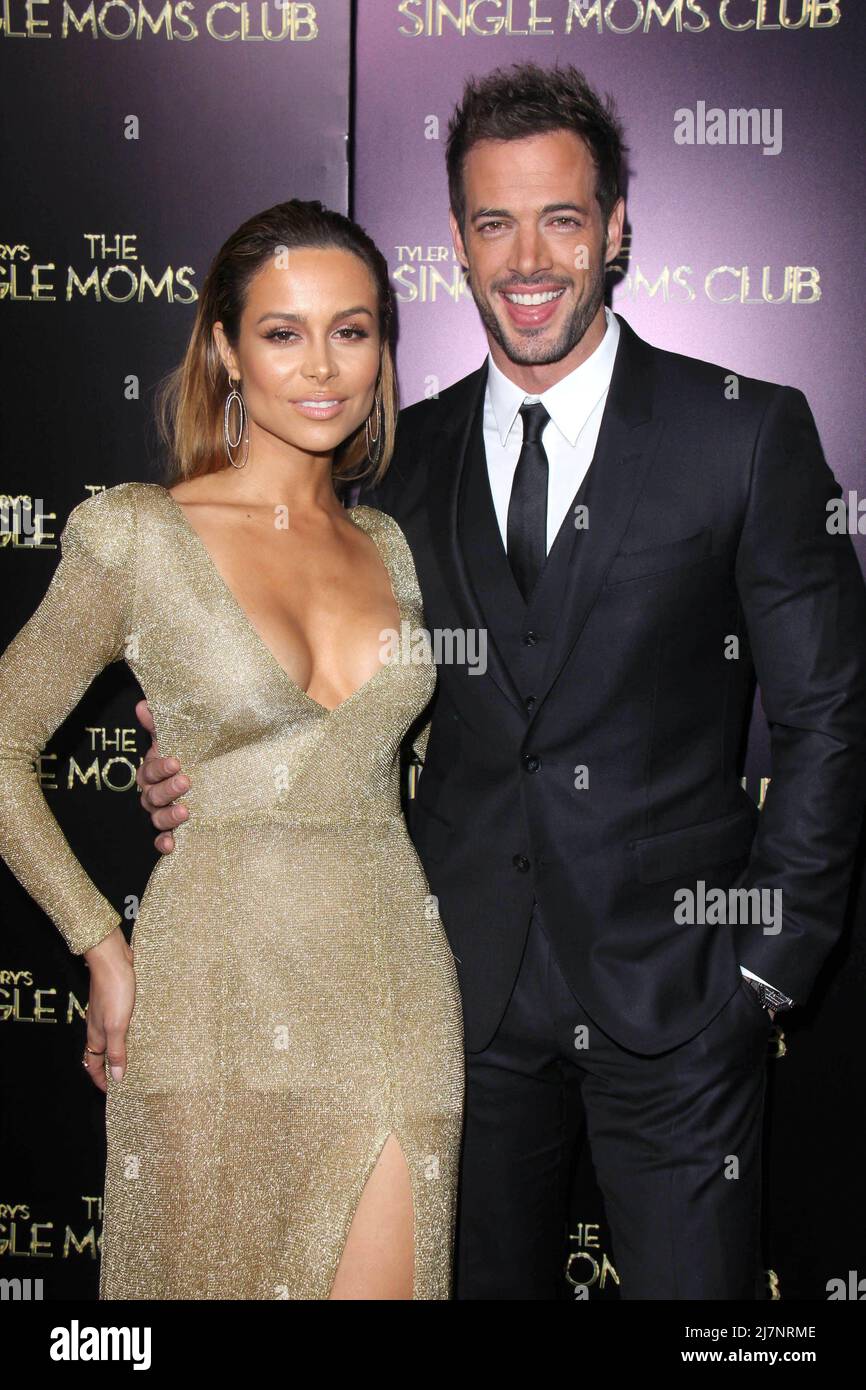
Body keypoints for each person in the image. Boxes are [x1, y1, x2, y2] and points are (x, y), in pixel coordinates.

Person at [137, 65, 866, 1300]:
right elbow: (319, 693)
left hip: (682, 999)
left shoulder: (741, 432)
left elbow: (826, 717)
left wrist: (761, 970)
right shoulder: (394, 460)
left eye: (560, 219)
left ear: (614, 229)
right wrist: (197, 764)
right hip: (450, 1000)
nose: (527, 259)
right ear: (458, 244)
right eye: (493, 223)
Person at [0, 198, 465, 1300]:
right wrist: (100, 946)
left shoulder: (390, 547)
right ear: (224, 349)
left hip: (392, 991)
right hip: (210, 992)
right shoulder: (138, 534)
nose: (322, 367)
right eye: (282, 332)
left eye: (351, 331)